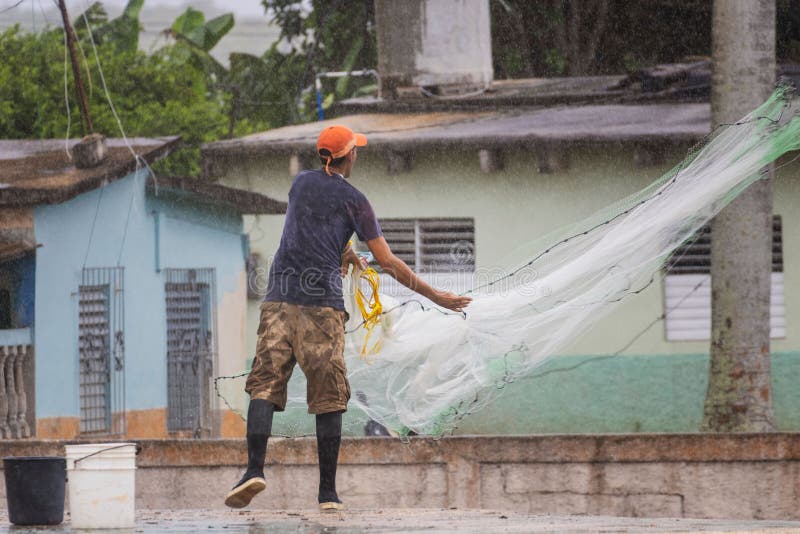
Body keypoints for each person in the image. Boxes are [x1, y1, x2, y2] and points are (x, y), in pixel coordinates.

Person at [224, 125, 472, 511]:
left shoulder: (300, 184)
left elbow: (309, 230)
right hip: (322, 306)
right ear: (349, 156)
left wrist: (344, 252)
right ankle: (327, 493)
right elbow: (387, 262)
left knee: (264, 386)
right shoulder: (357, 201)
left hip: (278, 300)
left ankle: (253, 470)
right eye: (356, 150)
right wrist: (437, 296)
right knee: (329, 397)